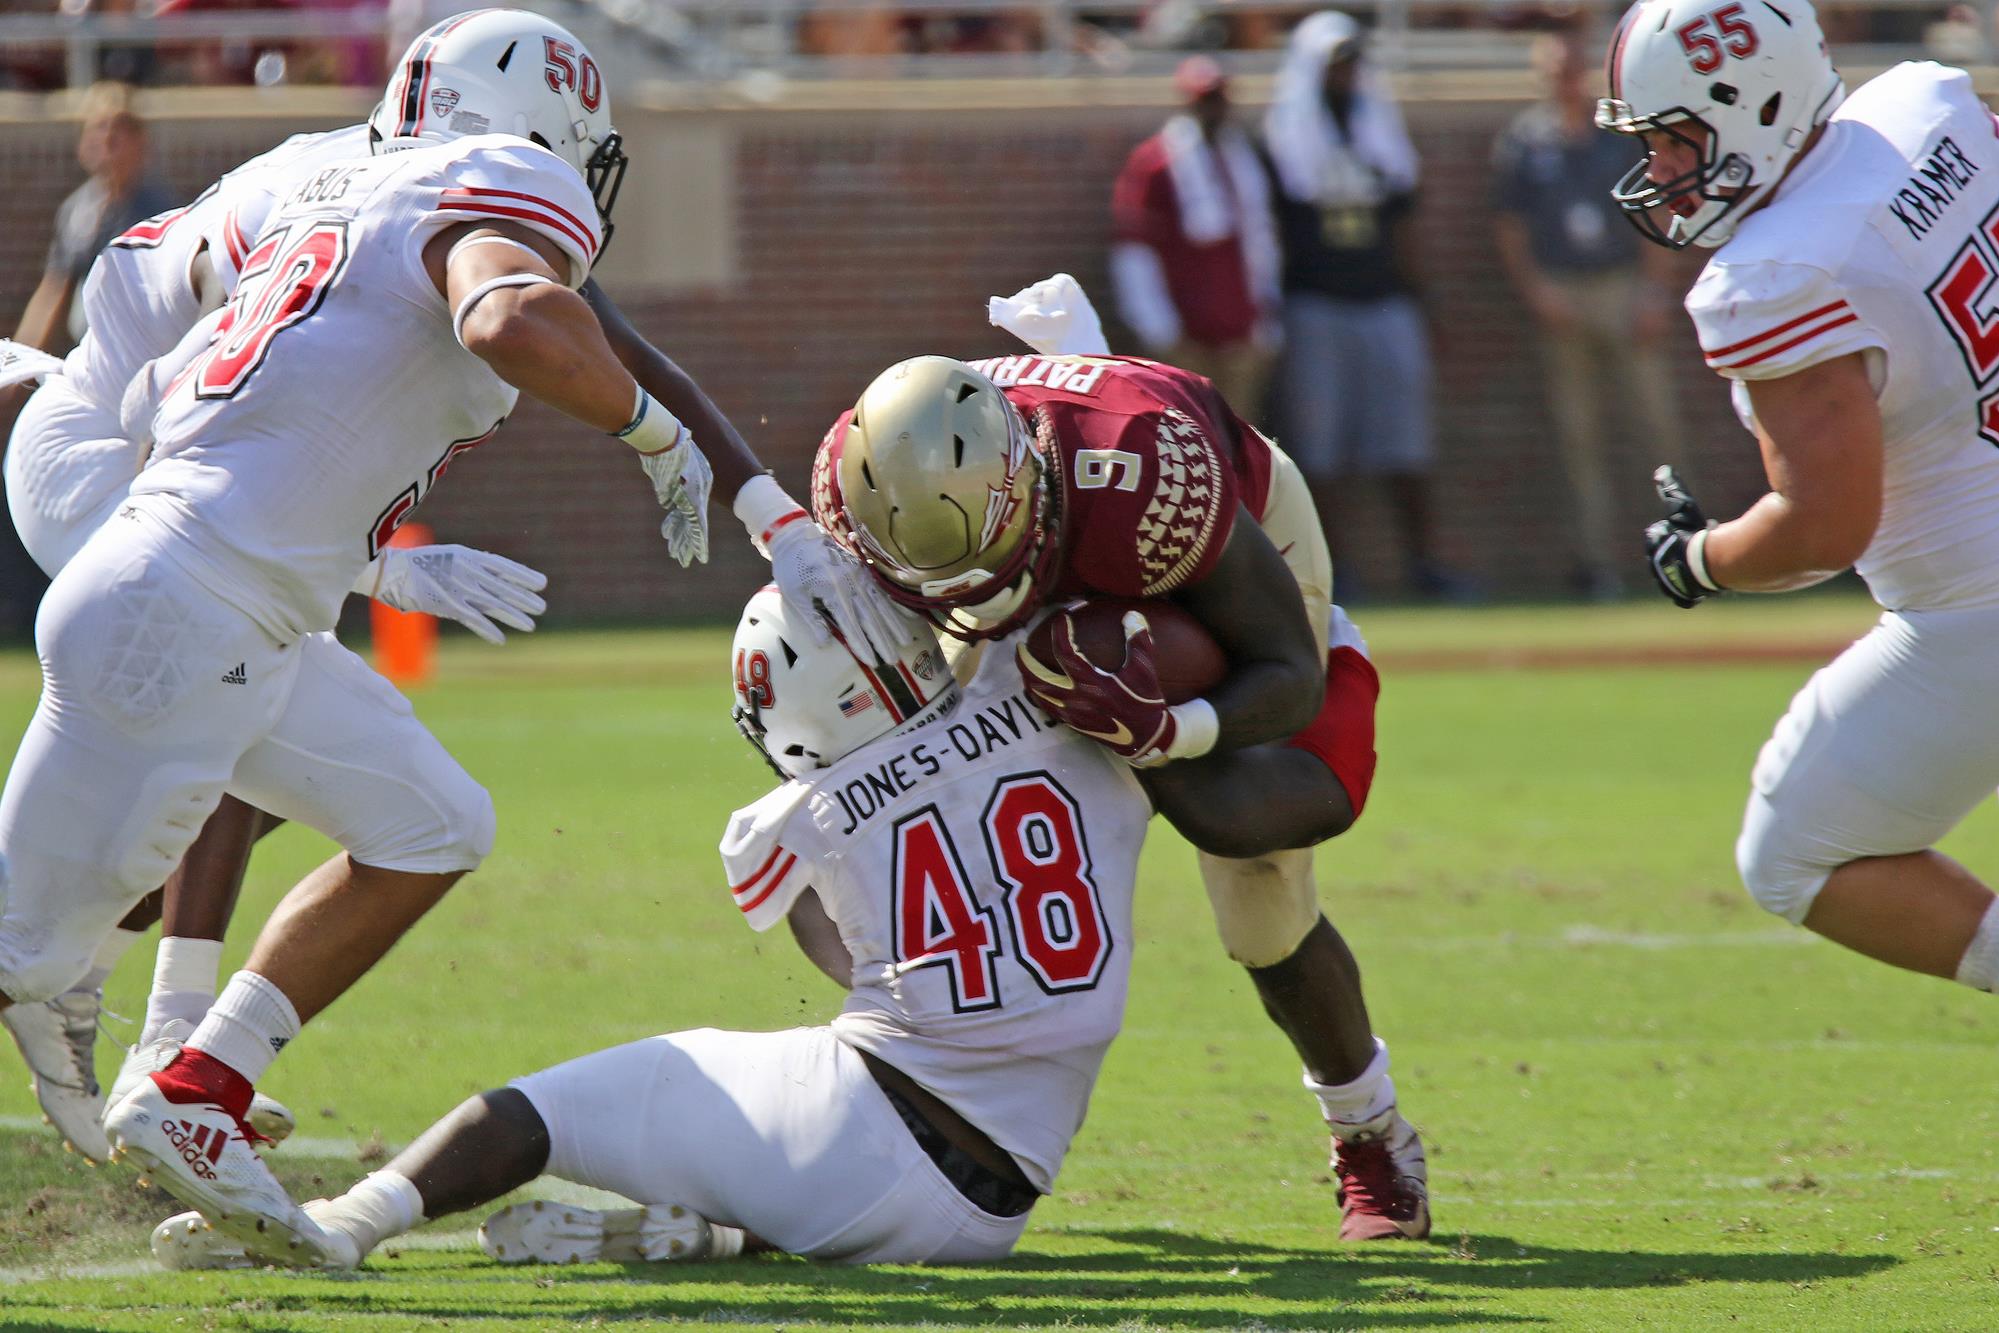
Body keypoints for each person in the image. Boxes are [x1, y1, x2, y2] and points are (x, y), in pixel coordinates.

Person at [0, 8, 904, 1264]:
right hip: (181, 600)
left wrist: (315, 530)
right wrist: (648, 437)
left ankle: (192, 1082)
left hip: (181, 564)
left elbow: (143, 298)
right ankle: (114, 1006)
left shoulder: (325, 173)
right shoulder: (505, 190)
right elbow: (507, 324)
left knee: (434, 820)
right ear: (539, 131)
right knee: (23, 946)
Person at [149, 587, 1150, 1270]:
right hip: (999, 1204)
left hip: (855, 1141)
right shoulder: (1056, 715)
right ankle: (711, 1235)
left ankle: (340, 1224)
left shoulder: (799, 816)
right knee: (761, 1136)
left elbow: (838, 947)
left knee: (531, 1114)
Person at [0, 119, 547, 1164]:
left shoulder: (379, 208)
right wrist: (380, 568)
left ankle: (159, 1042)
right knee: (232, 669)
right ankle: (143, 1025)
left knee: (406, 801)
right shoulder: (351, 202)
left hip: (172, 493)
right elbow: (164, 397)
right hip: (108, 462)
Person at [812, 324, 1429, 1240]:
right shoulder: (852, 493)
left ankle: (1371, 1135)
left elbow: (1286, 674)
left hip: (1192, 536)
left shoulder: (1151, 476)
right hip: (1043, 534)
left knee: (1254, 869)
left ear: (1027, 479)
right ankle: (904, 1106)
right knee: (927, 815)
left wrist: (1165, 730)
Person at [1603, 6, 1999, 998]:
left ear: (1751, 107)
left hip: (1976, 606)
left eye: (1669, 138)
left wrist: (1700, 559)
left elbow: (1823, 528)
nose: (1657, 171)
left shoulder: (1773, 275)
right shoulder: (1923, 106)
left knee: (1797, 852)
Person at [1263, 12, 1463, 601]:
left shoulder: (1377, 127)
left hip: (1384, 302)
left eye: (1353, 61)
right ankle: (1335, 568)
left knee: (1404, 440)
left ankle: (1424, 564)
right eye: (1334, 63)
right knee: (1320, 448)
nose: (1347, 73)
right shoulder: (1284, 136)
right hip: (1315, 302)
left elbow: (1403, 219)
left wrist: (1423, 300)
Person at [1491, 30, 1684, 601]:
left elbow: (1654, 206)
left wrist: (1655, 291)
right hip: (1563, 293)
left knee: (1657, 425)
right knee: (1580, 437)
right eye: (1555, 68)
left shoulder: (1617, 135)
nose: (1565, 78)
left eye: (1573, 67)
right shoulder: (1524, 141)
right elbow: (1510, 228)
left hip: (1621, 285)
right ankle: (1596, 564)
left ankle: (1682, 548)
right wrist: (1536, 292)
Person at [1109, 55, 1281, 420]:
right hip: (1185, 336)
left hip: (1240, 331)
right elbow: (1134, 250)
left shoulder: (1241, 157)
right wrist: (1157, 326)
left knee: (1241, 445)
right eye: (1204, 101)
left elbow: (1260, 240)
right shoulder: (1155, 163)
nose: (1213, 110)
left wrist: (1266, 313)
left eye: (1218, 99)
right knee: (1185, 442)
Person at [11, 82, 174, 360]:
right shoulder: (76, 208)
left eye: (120, 128)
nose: (107, 138)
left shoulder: (161, 212)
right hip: (88, 356)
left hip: (145, 357)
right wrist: (17, 365)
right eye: (98, 127)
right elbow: (53, 290)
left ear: (141, 142)